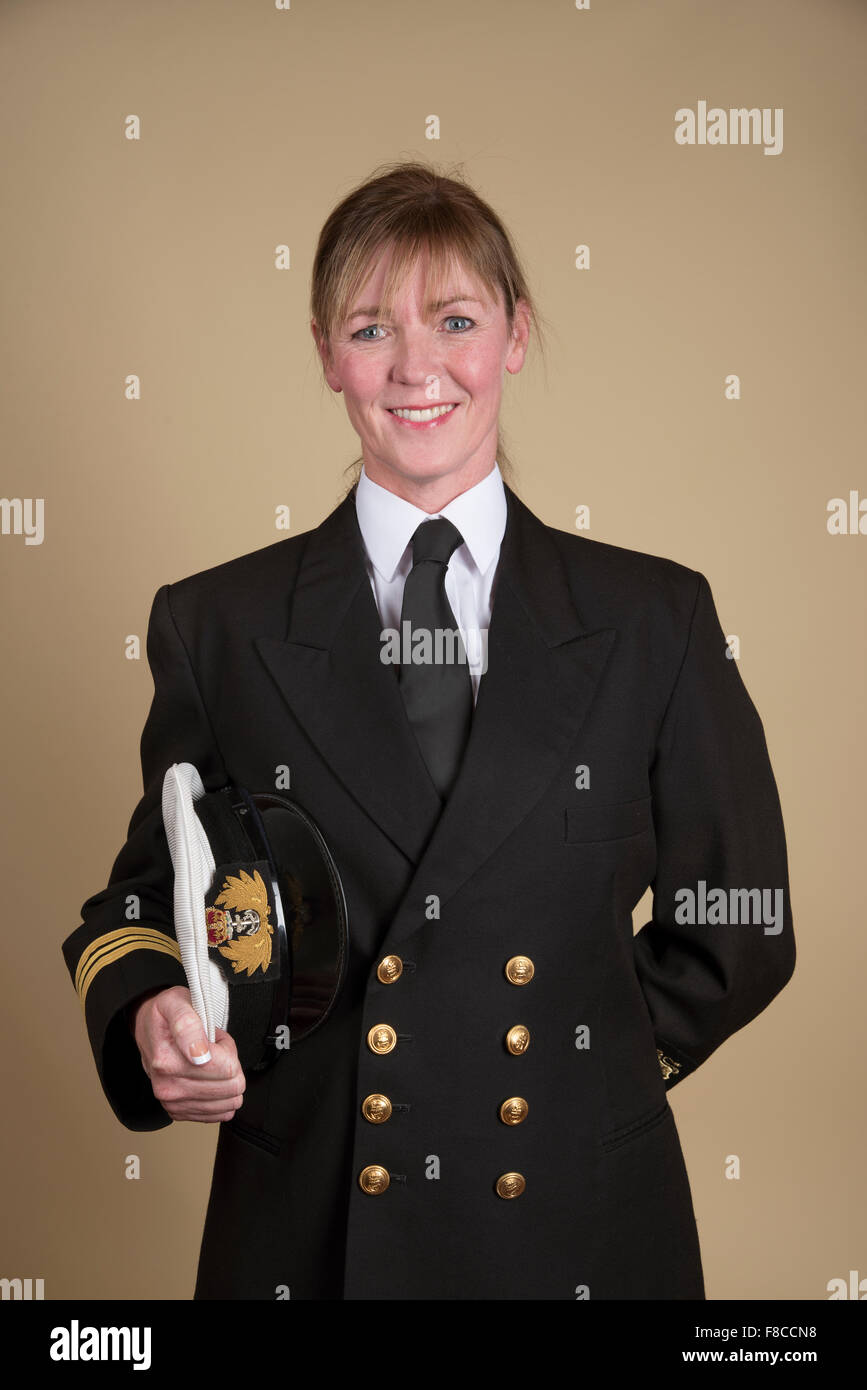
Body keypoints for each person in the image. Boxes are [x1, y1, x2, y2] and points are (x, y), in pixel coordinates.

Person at [62, 159, 795, 1301]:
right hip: (313, 1215)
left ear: (514, 334)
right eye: (370, 328)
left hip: (579, 1220)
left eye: (455, 319)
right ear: (323, 353)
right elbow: (148, 903)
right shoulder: (217, 622)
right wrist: (154, 1004)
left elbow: (740, 920)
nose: (415, 368)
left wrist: (584, 1069)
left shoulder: (656, 615)